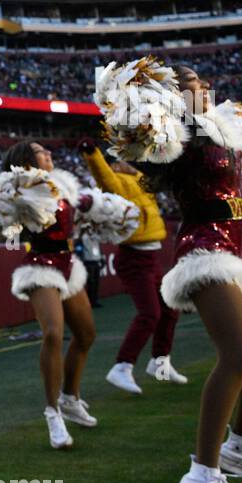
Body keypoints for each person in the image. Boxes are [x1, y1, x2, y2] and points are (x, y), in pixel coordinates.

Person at [100, 62, 242, 483]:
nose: (204, 88)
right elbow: (146, 141)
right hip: (204, 250)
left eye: (204, 82)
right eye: (192, 85)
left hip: (236, 248)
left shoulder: (216, 126)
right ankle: (201, 476)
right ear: (169, 98)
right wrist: (144, 101)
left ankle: (241, 446)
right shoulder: (172, 137)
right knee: (239, 355)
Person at [0, 141, 98, 449]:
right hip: (40, 265)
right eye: (41, 151)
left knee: (87, 334)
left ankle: (70, 398)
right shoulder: (19, 186)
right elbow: (4, 224)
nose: (49, 154)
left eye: (49, 151)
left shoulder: (61, 183)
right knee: (53, 333)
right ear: (27, 159)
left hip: (68, 262)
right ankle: (52, 413)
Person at [79, 138, 184, 392]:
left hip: (150, 255)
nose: (125, 163)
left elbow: (147, 177)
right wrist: (93, 154)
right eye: (120, 161)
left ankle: (160, 363)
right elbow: (104, 177)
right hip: (134, 258)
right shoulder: (116, 184)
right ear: (114, 164)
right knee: (150, 314)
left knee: (169, 309)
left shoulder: (138, 180)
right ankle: (122, 367)